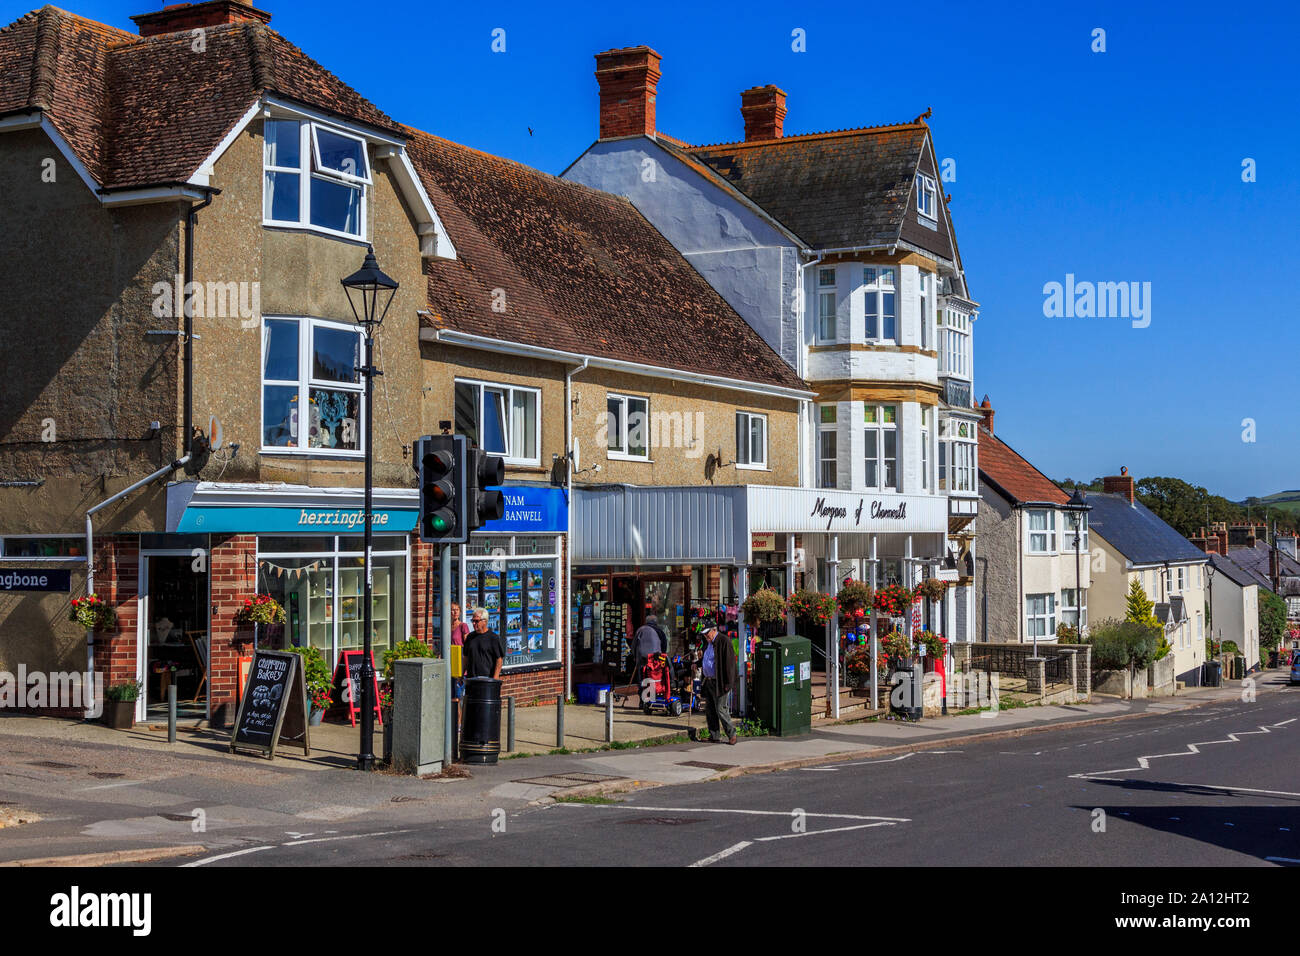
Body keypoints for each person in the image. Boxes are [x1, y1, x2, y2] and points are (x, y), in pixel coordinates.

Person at [692, 623, 737, 745]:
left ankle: (732, 734)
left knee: (720, 709)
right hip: (709, 681)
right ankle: (714, 735)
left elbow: (730, 664)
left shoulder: (724, 641)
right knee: (710, 710)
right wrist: (698, 663)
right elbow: (707, 659)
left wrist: (728, 683)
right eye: (704, 634)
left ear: (714, 630)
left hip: (720, 682)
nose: (706, 635)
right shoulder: (708, 643)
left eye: (707, 633)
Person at [464, 608, 506, 680]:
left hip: (487, 680)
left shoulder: (493, 638)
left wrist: (495, 678)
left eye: (476, 621)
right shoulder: (470, 637)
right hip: (471, 679)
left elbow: (499, 659)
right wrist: (461, 674)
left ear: (485, 621)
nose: (474, 623)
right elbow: (465, 658)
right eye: (472, 621)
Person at [631, 614, 663, 683]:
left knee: (642, 675)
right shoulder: (659, 631)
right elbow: (664, 645)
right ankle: (654, 688)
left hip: (642, 658)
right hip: (656, 659)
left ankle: (642, 688)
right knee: (654, 676)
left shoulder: (641, 629)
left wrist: (634, 655)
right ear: (656, 622)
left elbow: (634, 644)